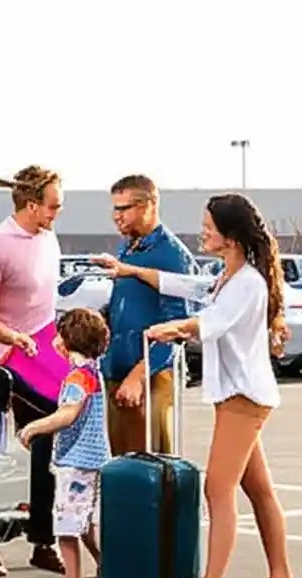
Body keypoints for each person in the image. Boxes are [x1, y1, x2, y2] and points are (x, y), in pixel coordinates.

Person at [92, 193, 296, 578]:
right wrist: (128, 270)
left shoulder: (246, 284)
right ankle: (280, 577)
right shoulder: (229, 275)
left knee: (216, 490)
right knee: (258, 490)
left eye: (208, 227)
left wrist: (174, 328)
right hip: (240, 396)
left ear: (231, 237)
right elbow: (183, 285)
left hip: (244, 399)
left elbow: (211, 323)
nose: (202, 232)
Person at [0, 165, 65, 577]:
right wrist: (13, 338)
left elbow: (45, 305)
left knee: (50, 445)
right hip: (1, 357)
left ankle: (44, 541)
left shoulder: (49, 238)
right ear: (31, 204)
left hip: (42, 352)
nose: (58, 211)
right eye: (54, 205)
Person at [16, 308, 112, 578]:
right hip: (95, 458)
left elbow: (67, 414)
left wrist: (34, 427)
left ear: (67, 341)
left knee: (67, 525)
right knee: (85, 525)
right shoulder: (95, 372)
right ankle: (112, 574)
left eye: (60, 335)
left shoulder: (77, 377)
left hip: (76, 460)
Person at [102, 175, 197, 455]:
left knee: (153, 463)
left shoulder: (172, 256)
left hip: (151, 378)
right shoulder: (128, 248)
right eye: (115, 208)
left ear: (149, 205)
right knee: (122, 464)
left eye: (124, 208)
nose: (116, 216)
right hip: (118, 375)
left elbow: (178, 327)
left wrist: (138, 376)